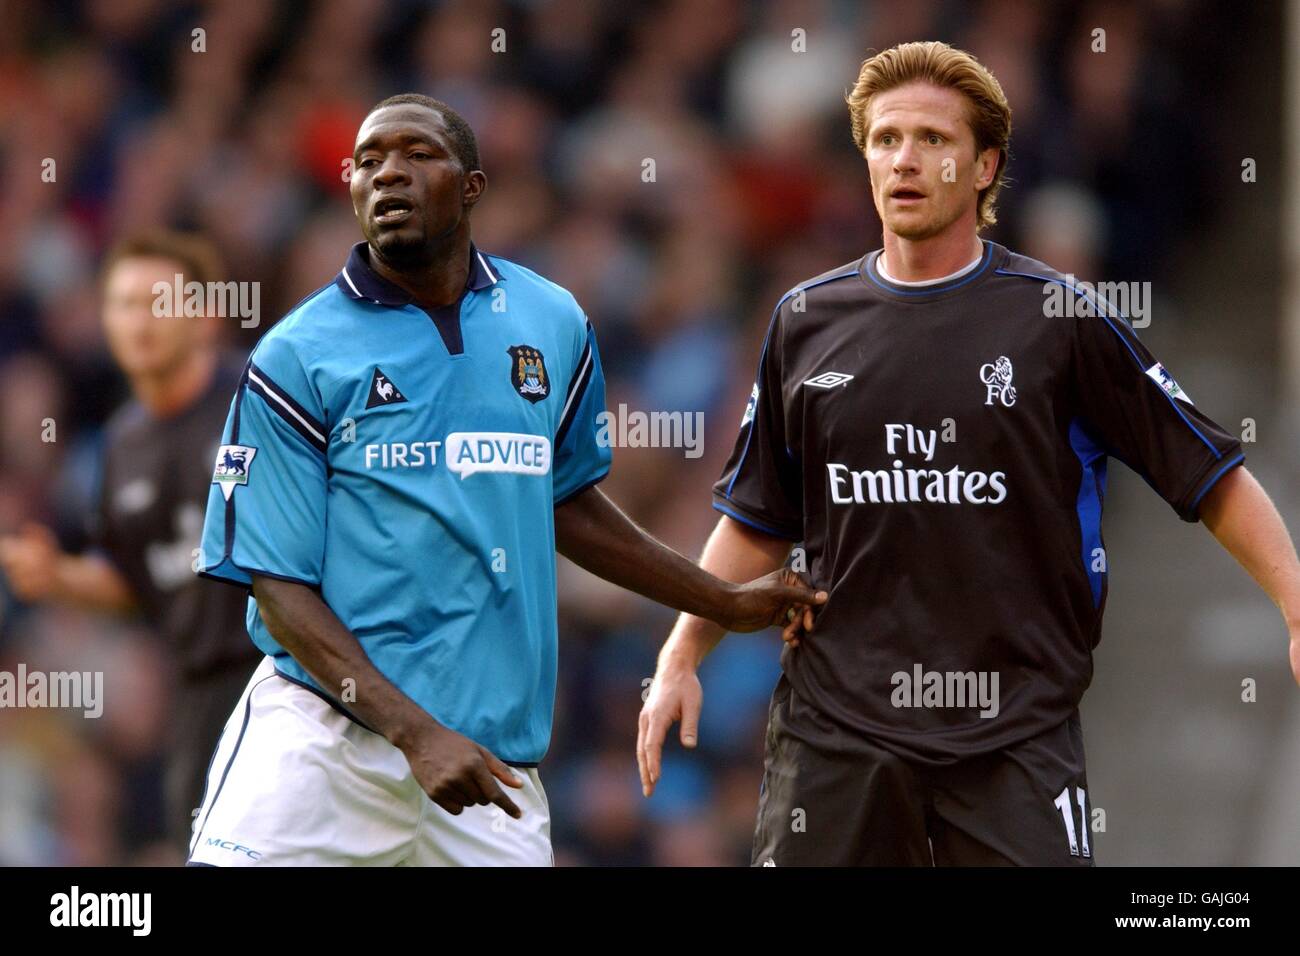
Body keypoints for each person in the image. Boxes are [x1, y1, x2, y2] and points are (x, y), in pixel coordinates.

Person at [637, 41, 1300, 866]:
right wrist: (680, 654)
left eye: (933, 140)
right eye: (885, 139)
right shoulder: (803, 320)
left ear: (984, 167)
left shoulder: (1058, 320)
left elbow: (1210, 474)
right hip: (838, 732)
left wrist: (1296, 604)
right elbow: (757, 518)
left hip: (1013, 734)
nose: (904, 160)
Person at [186, 93, 824, 867]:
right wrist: (414, 732)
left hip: (490, 771)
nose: (388, 174)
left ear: (473, 186)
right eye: (369, 161)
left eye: (417, 155)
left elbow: (566, 505)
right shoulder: (296, 357)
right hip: (324, 749)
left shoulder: (550, 323)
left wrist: (719, 600)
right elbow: (276, 589)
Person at [0, 231, 262, 853]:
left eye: (157, 302)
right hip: (200, 690)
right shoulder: (123, 444)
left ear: (205, 317)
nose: (137, 321)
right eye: (122, 304)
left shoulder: (263, 401)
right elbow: (133, 581)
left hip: (296, 674)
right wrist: (59, 576)